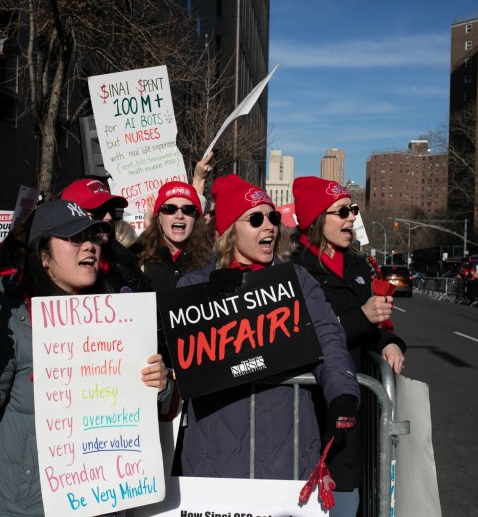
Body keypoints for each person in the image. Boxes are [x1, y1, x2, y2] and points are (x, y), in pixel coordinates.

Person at [0, 200, 169, 516]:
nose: (89, 245)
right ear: (43, 257)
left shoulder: (118, 315)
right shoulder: (7, 319)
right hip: (28, 509)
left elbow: (142, 409)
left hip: (101, 500)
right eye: (74, 238)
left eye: (92, 236)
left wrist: (159, 384)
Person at [173, 175, 360, 485]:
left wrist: (342, 392)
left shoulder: (297, 280)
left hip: (288, 456)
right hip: (216, 460)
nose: (270, 226)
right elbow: (171, 364)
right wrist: (215, 299)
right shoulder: (192, 287)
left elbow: (327, 335)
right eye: (256, 219)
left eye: (273, 217)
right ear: (230, 230)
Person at [291, 176, 407, 516]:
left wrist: (388, 342)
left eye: (352, 210)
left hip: (352, 404)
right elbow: (304, 335)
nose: (351, 218)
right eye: (341, 211)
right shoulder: (296, 268)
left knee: (348, 493)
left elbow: (374, 325)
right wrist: (360, 316)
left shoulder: (357, 263)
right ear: (316, 219)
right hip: (311, 402)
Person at [61, 178, 150, 293]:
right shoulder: (55, 271)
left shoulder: (127, 262)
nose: (108, 217)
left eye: (112, 210)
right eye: (99, 211)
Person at [129, 181, 214, 291]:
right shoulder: (138, 259)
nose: (179, 216)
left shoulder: (211, 260)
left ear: (196, 219)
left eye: (188, 209)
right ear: (159, 218)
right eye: (169, 209)